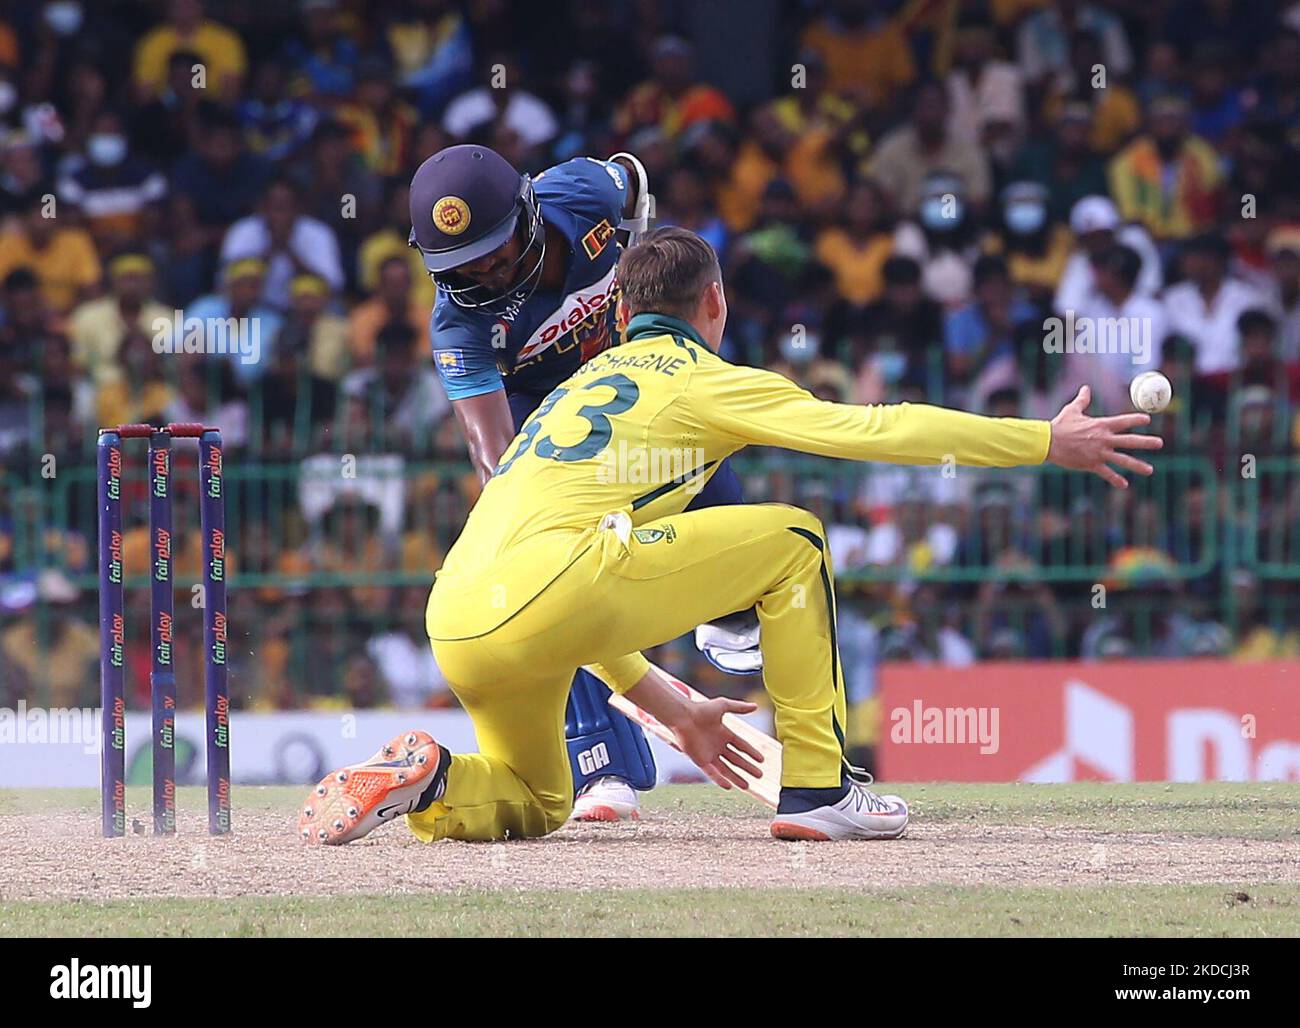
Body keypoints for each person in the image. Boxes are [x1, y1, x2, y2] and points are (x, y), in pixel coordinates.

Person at [299, 227, 1162, 846]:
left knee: (533, 800)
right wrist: (1045, 441)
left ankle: (433, 779)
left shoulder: (567, 392)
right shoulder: (703, 379)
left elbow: (563, 603)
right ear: (714, 302)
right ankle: (820, 788)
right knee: (797, 538)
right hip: (554, 592)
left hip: (458, 618)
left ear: (619, 314)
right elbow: (878, 430)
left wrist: (674, 708)